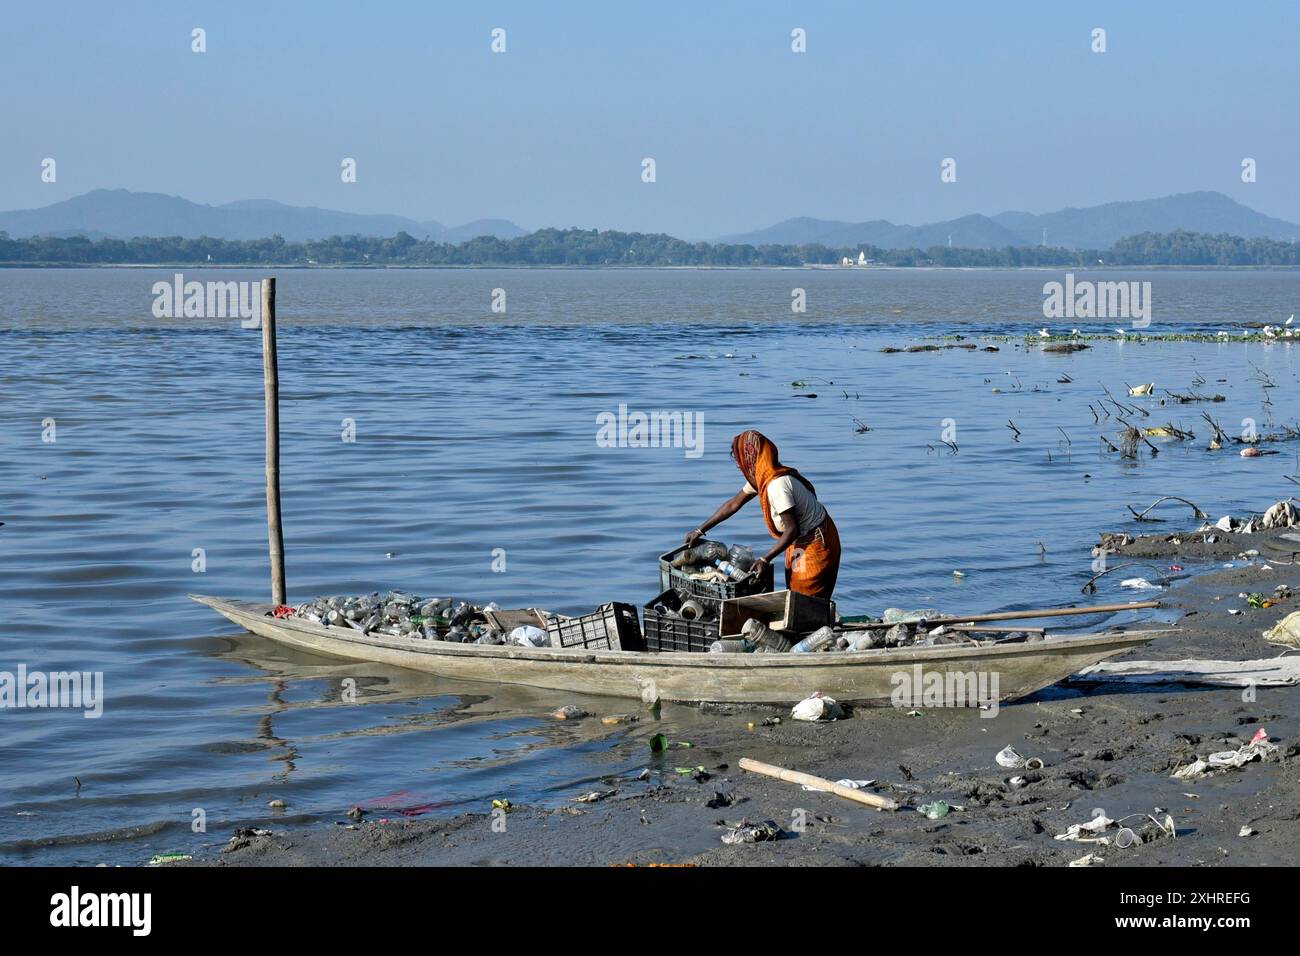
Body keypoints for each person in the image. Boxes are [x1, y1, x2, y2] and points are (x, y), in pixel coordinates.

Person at [684, 430, 840, 598]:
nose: (738, 465)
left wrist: (765, 559)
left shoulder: (776, 485)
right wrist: (700, 530)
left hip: (816, 541)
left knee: (807, 595)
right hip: (799, 540)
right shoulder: (762, 477)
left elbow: (791, 530)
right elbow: (733, 504)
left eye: (738, 458)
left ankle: (819, 623)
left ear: (750, 457)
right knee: (795, 591)